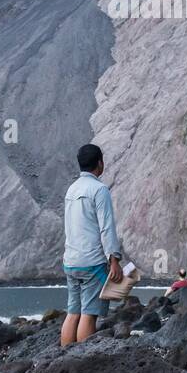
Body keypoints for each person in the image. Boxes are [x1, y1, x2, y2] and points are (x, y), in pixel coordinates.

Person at [61, 143, 123, 347]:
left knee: (73, 313)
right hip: (92, 262)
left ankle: (64, 359)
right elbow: (106, 228)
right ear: (100, 163)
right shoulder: (99, 189)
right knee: (89, 314)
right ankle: (83, 362)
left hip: (71, 262)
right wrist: (114, 259)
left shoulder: (71, 189)